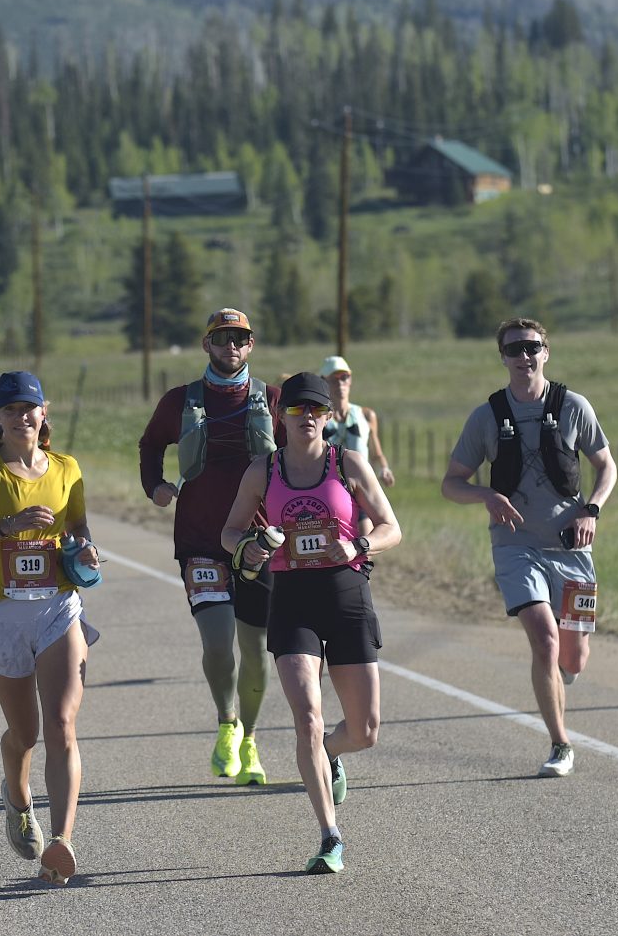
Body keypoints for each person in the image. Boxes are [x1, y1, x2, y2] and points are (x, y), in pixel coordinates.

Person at [223, 370, 400, 875]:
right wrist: (249, 545)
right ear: (281, 417)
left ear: (329, 417)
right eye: (297, 411)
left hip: (346, 594)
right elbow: (229, 530)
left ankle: (329, 754)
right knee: (308, 717)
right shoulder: (264, 470)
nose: (307, 419)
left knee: (365, 730)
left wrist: (359, 544)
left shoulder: (349, 465)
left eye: (316, 412)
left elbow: (392, 528)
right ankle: (330, 836)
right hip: (292, 598)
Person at [0, 370, 100, 886]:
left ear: (43, 411)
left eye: (29, 408)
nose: (21, 417)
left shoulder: (66, 469)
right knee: (25, 733)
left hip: (58, 609)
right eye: (10, 410)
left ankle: (62, 841)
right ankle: (17, 795)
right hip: (3, 615)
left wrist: (86, 552)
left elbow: (79, 532)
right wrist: (6, 528)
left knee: (61, 725)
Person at [443, 318, 618, 779]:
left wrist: (591, 511)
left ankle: (563, 673)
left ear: (546, 352)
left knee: (572, 657)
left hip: (571, 547)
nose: (524, 357)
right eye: (514, 349)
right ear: (502, 357)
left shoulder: (573, 406)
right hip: (515, 546)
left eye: (532, 348)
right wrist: (486, 495)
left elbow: (606, 467)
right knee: (544, 638)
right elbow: (451, 483)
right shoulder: (487, 417)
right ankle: (560, 744)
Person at [136, 307, 280, 784]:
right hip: (199, 539)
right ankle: (226, 722)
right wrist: (154, 485)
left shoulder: (273, 400)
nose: (230, 347)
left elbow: (303, 454)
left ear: (251, 345)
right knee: (218, 644)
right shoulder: (180, 401)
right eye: (221, 338)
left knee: (256, 652)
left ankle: (252, 741)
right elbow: (150, 444)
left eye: (239, 339)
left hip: (255, 541)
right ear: (207, 345)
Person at [319, 355, 394, 487]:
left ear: (350, 380)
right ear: (323, 382)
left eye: (344, 377)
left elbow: (376, 454)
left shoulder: (366, 415)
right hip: (328, 486)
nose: (340, 383)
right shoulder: (319, 417)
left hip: (362, 486)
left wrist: (384, 469)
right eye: (334, 379)